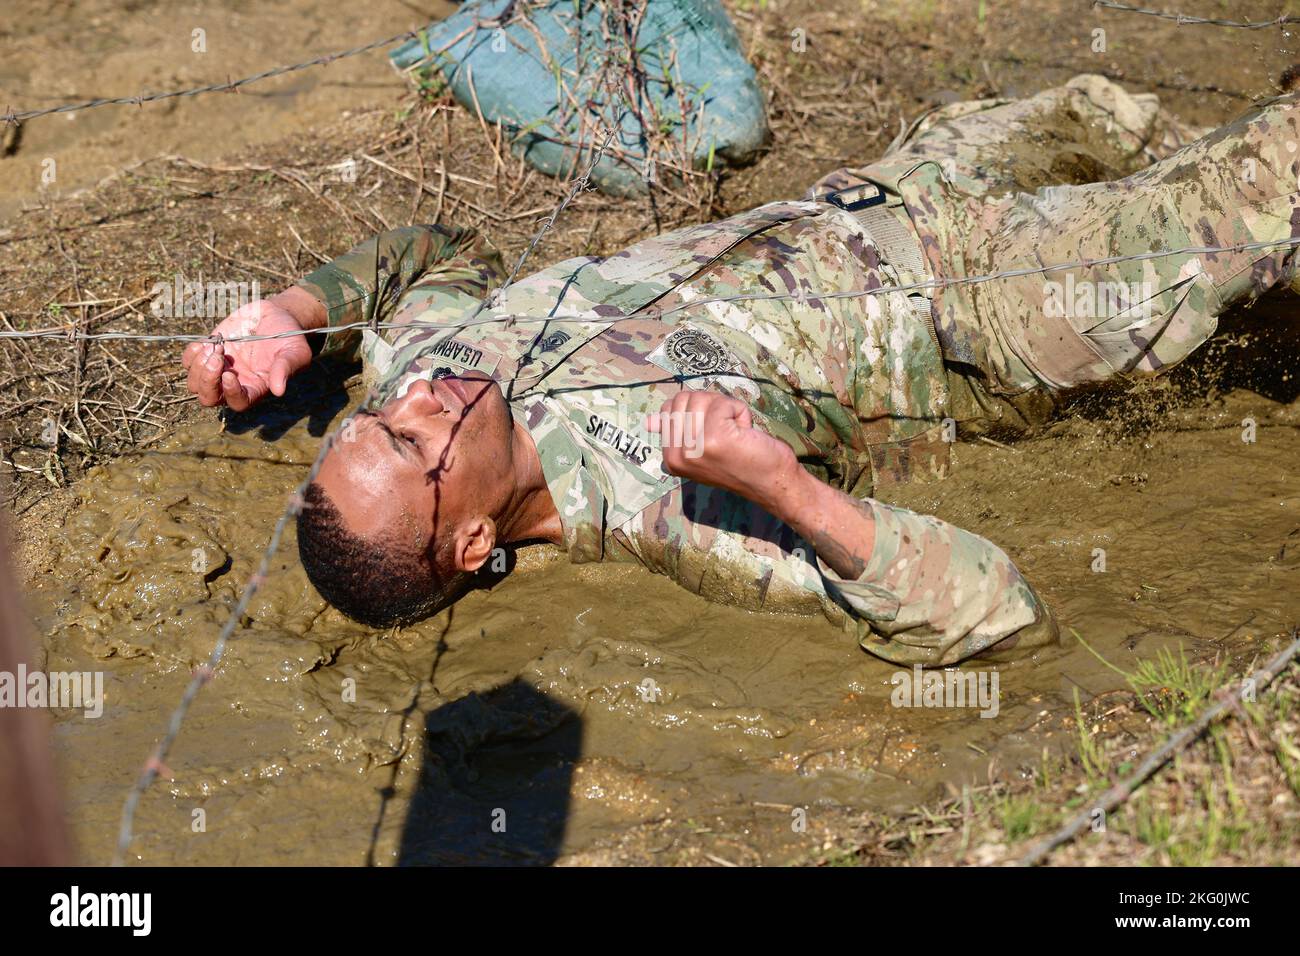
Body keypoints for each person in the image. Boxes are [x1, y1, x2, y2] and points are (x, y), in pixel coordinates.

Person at [182, 75, 1299, 666]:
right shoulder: (664, 509)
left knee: (1099, 108)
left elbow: (435, 251)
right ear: (470, 542)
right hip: (982, 309)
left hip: (882, 190)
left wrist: (290, 314)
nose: (416, 397)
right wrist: (783, 485)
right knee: (1254, 196)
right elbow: (998, 615)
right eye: (412, 438)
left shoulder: (433, 365)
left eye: (380, 411)